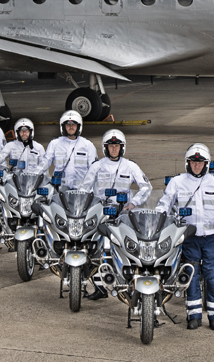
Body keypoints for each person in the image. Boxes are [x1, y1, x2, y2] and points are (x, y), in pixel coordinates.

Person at [157, 143, 214, 331]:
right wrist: (156, 222)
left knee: (213, 276)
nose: (197, 166)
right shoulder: (177, 182)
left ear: (206, 164)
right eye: (193, 162)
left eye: (200, 163)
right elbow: (164, 204)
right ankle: (194, 315)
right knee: (190, 275)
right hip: (188, 237)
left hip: (211, 238)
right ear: (187, 163)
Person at [80, 129, 151, 301]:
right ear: (105, 148)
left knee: (129, 249)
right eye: (111, 146)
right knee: (96, 250)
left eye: (117, 146)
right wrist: (87, 207)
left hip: (123, 215)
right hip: (100, 214)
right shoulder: (96, 166)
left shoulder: (130, 166)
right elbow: (84, 189)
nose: (114, 149)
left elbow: (146, 186)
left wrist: (133, 204)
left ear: (122, 148)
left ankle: (132, 286)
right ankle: (99, 286)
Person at [41, 109, 98, 189]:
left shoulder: (88, 145)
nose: (71, 127)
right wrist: (35, 172)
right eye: (68, 124)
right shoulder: (55, 143)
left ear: (78, 126)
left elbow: (94, 170)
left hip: (82, 191)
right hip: (59, 190)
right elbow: (45, 162)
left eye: (73, 124)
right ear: (63, 126)